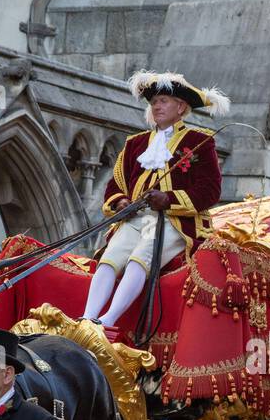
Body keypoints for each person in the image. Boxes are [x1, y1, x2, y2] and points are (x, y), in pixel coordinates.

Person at [83, 71, 228, 331]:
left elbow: (210, 191)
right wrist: (120, 203)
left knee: (141, 257)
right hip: (135, 219)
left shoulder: (200, 142)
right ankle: (87, 317)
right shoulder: (134, 144)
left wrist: (168, 200)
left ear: (181, 107)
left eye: (163, 101)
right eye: (154, 102)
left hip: (173, 222)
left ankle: (108, 320)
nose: (157, 106)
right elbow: (115, 184)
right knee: (110, 257)